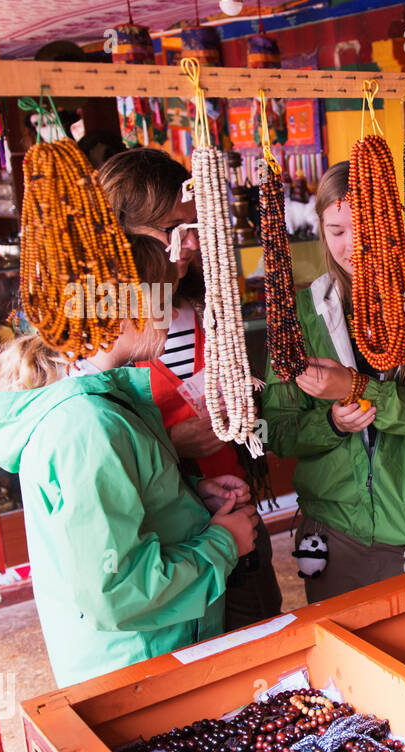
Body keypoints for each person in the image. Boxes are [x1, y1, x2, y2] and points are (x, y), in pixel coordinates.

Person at [0, 237, 258, 687]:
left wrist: (185, 495)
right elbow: (117, 591)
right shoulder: (88, 426)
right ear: (130, 307)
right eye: (163, 295)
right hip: (137, 669)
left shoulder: (102, 401)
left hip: (154, 653)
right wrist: (223, 543)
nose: (172, 310)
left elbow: (121, 508)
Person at [262, 161, 405, 602]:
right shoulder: (303, 313)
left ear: (390, 224)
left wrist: (360, 389)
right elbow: (278, 431)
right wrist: (332, 423)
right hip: (331, 531)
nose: (352, 245)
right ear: (321, 231)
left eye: (365, 227)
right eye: (337, 230)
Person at [97, 147, 282, 629]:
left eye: (195, 229)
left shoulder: (204, 304)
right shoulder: (105, 334)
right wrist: (171, 444)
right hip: (166, 548)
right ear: (123, 232)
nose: (192, 246)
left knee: (259, 634)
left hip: (234, 512)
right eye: (174, 232)